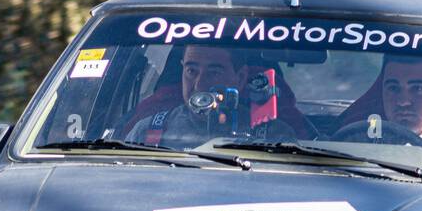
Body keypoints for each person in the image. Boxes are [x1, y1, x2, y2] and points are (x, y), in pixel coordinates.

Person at [126, 45, 298, 146]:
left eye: (214, 73)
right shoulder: (146, 131)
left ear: (240, 78)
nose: (199, 84)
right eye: (191, 71)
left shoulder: (275, 136)